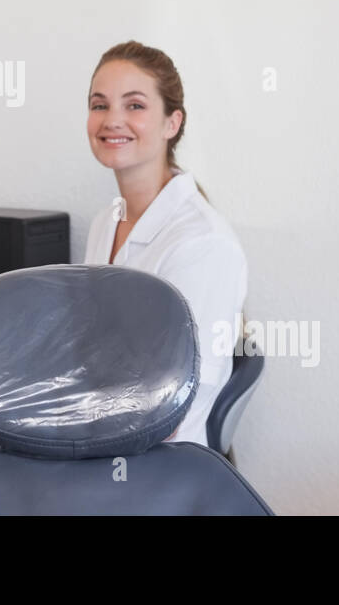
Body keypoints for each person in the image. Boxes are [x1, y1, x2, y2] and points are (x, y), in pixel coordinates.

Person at [83, 40, 247, 450]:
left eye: (134, 106)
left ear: (172, 123)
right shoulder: (106, 222)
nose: (112, 120)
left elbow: (172, 407)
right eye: (99, 105)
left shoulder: (202, 245)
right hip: (100, 438)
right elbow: (86, 352)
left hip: (153, 463)